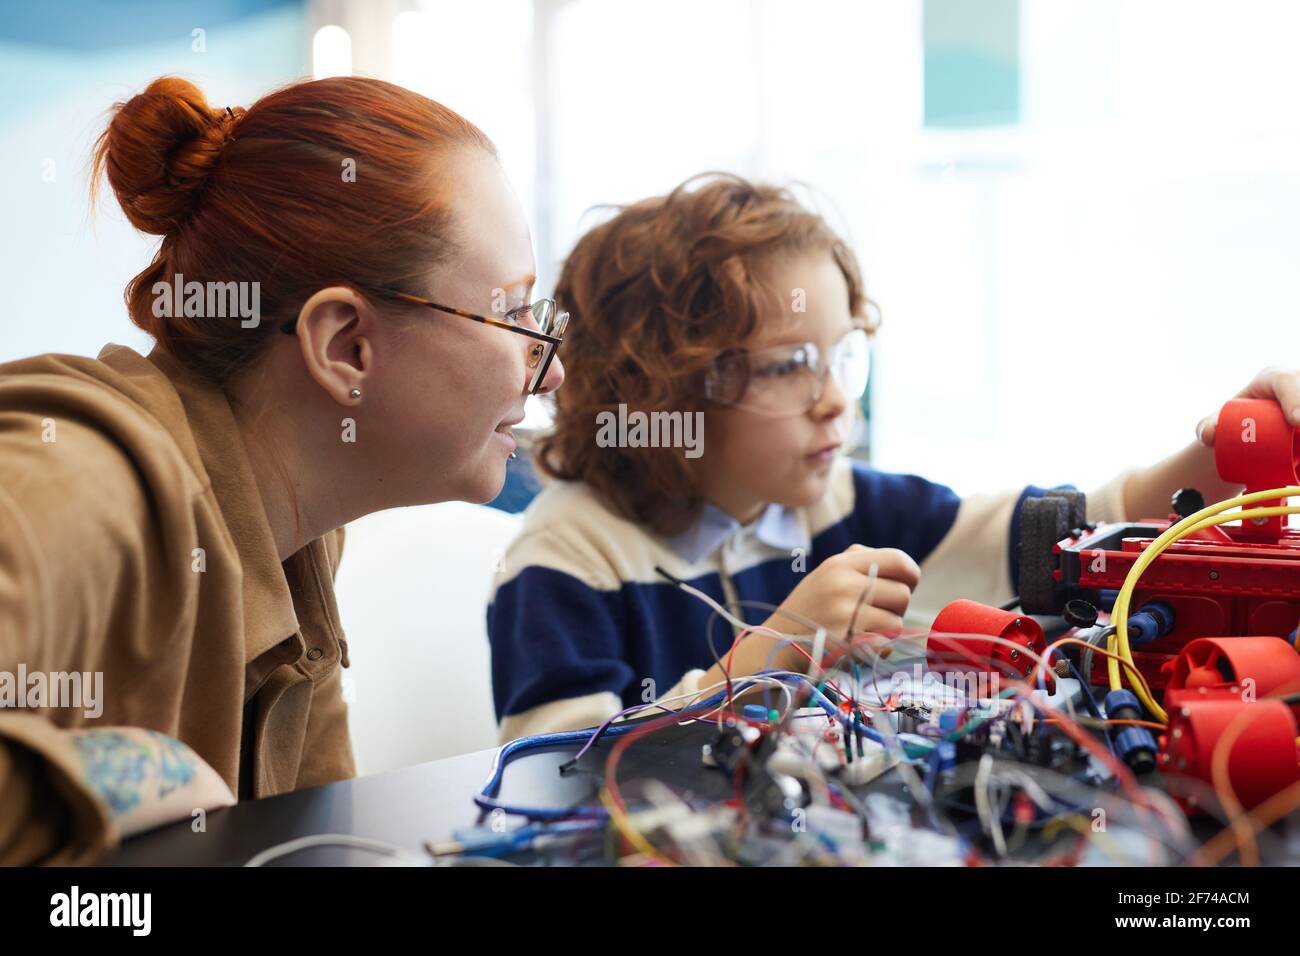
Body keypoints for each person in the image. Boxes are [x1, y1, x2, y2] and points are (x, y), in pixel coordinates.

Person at [487, 172, 1299, 742]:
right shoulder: (567, 558)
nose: (838, 399)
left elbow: (1087, 531)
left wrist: (1236, 447)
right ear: (663, 390)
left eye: (841, 357)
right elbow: (553, 772)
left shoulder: (842, 504)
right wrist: (767, 656)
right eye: (788, 365)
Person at [0, 75, 564, 864]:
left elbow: (316, 844)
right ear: (344, 348)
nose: (551, 372)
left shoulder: (298, 532)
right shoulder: (79, 487)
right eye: (511, 314)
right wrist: (139, 779)